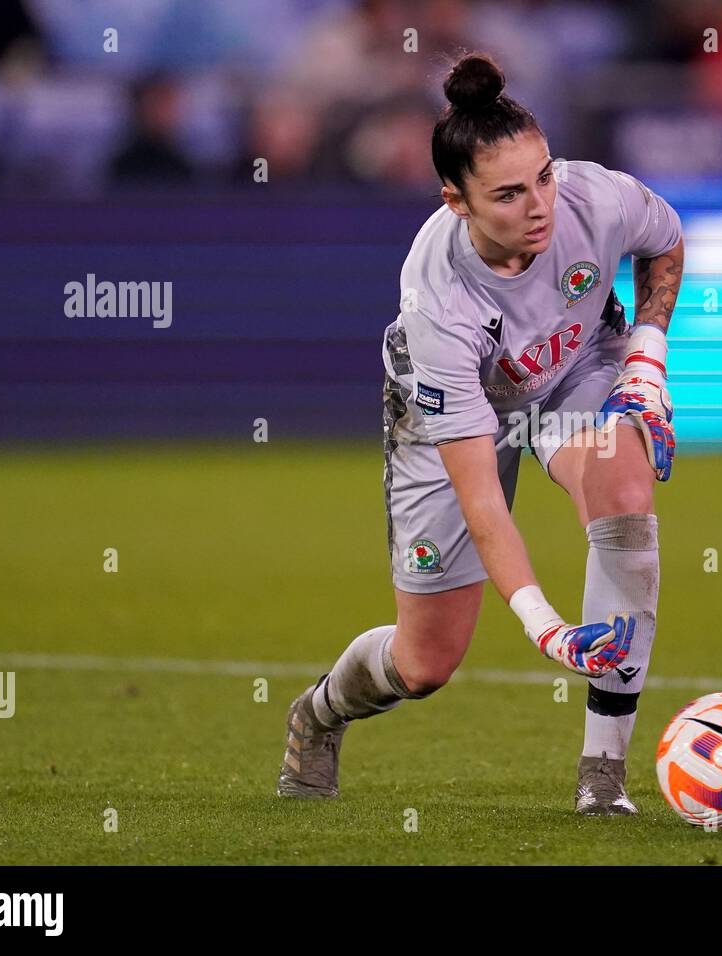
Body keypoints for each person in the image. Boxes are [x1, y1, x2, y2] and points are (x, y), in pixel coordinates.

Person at [276, 51, 684, 815]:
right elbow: (484, 504)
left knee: (625, 489)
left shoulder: (595, 197)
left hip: (575, 371)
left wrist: (646, 363)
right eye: (506, 194)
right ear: (455, 201)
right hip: (453, 417)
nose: (539, 206)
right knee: (427, 661)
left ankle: (603, 776)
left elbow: (664, 241)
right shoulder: (440, 307)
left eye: (542, 178)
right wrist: (546, 626)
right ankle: (320, 711)